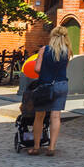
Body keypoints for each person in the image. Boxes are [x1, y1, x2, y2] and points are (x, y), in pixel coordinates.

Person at [29, 26, 70, 156]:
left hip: (45, 86)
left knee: (39, 116)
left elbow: (37, 69)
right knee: (56, 116)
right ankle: (51, 148)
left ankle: (36, 147)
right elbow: (64, 68)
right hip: (61, 85)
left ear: (52, 36)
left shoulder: (44, 50)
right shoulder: (67, 51)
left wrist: (46, 70)